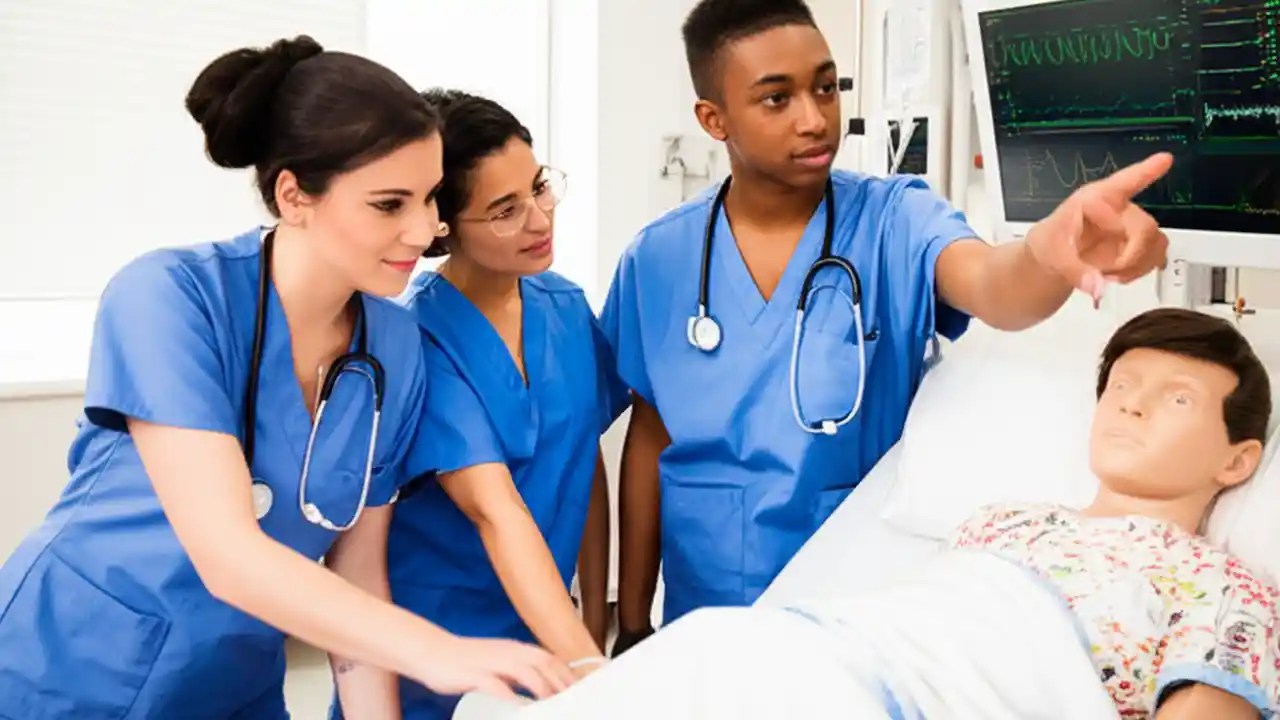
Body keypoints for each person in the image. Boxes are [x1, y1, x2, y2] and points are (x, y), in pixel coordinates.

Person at [0, 37, 570, 719]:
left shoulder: (392, 343)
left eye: (428, 198)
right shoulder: (170, 297)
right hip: (70, 670)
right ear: (293, 195)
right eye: (390, 204)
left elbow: (359, 578)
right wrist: (437, 651)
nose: (424, 231)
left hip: (230, 682)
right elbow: (229, 555)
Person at [604, 0, 1174, 650]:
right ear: (714, 119)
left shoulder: (894, 220)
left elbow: (995, 286)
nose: (815, 119)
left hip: (858, 614)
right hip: (703, 623)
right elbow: (649, 437)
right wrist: (629, 624)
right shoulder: (659, 259)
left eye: (826, 86)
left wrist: (1048, 254)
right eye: (776, 99)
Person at [509, 307, 1279, 719]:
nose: (1133, 406)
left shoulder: (1221, 591)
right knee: (712, 651)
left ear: (1237, 461)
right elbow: (916, 626)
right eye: (1122, 387)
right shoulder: (1002, 521)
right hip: (812, 653)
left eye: (1174, 399)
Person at [334, 89, 628, 720]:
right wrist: (586, 670)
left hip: (551, 636)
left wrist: (592, 622)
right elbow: (496, 511)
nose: (541, 220)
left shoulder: (567, 307)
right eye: (504, 210)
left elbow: (585, 465)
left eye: (540, 188)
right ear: (442, 224)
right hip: (441, 647)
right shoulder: (418, 339)